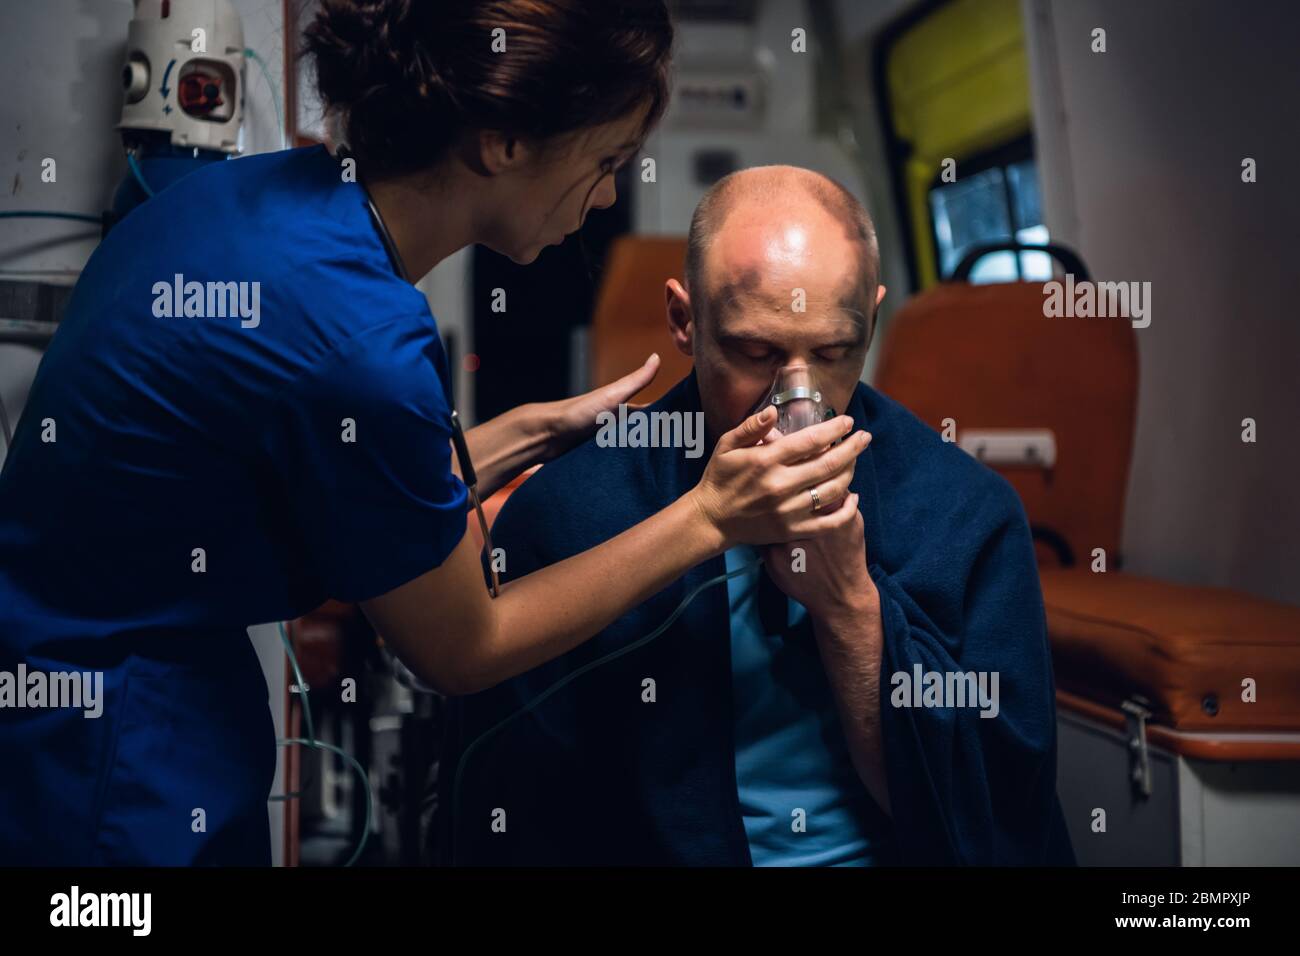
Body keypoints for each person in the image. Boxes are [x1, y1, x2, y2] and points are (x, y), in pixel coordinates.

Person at [0, 3, 869, 865]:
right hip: (110, 748)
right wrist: (711, 518)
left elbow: (350, 485)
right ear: (505, 143)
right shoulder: (363, 340)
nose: (606, 194)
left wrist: (521, 435)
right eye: (606, 160)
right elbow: (464, 646)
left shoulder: (249, 199)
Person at [437, 166, 1076, 866]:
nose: (794, 399)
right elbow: (513, 816)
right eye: (755, 352)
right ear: (685, 320)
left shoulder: (966, 512)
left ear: (872, 314)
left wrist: (851, 609)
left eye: (834, 352)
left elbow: (1000, 824)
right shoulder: (569, 514)